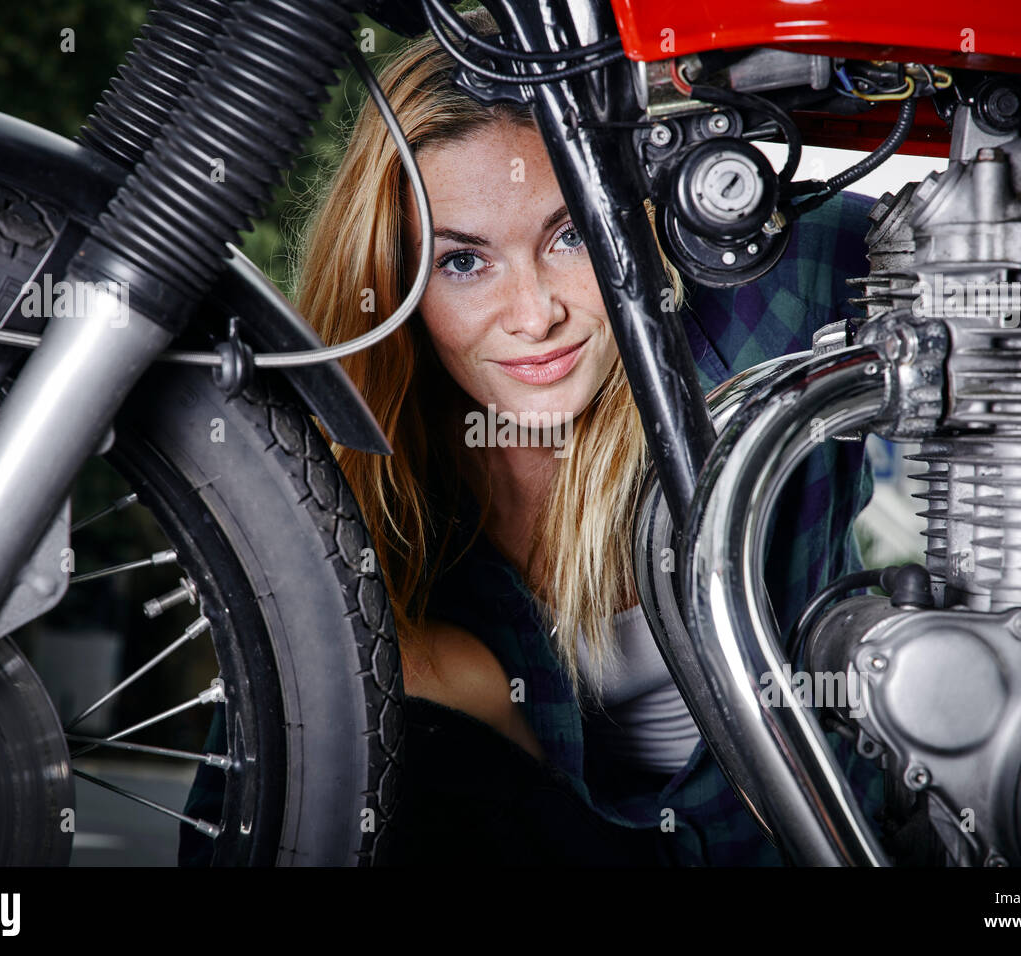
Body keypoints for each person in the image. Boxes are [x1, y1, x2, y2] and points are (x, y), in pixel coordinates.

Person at [184, 6, 884, 866]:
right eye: (463, 262)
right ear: (395, 278)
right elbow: (241, 810)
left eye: (571, 236)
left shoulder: (771, 293)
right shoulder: (348, 479)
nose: (534, 315)